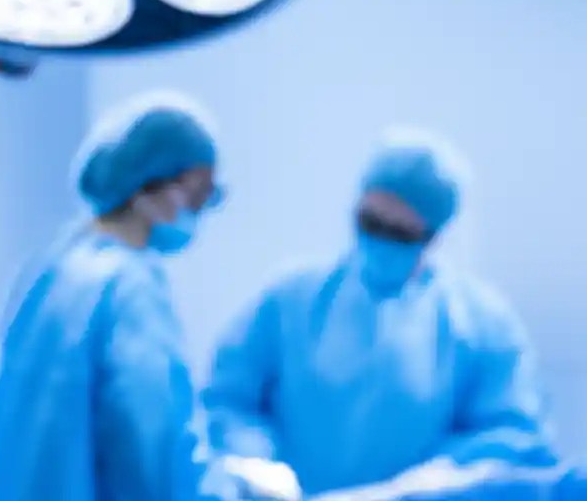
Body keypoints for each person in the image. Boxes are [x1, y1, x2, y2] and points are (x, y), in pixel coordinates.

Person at [202, 129, 557, 497]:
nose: (380, 239)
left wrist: (430, 482)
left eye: (400, 233)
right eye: (370, 223)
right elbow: (228, 398)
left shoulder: (482, 323)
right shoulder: (289, 299)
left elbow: (512, 431)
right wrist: (258, 463)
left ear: (432, 236)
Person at [0, 92, 231, 501]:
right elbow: (153, 441)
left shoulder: (49, 267)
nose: (199, 210)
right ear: (148, 184)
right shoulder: (131, 288)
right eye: (199, 193)